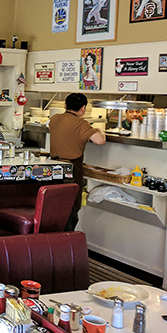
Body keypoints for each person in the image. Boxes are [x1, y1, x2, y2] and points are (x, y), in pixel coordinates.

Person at [48, 93, 106, 231]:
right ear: (83, 108)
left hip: (53, 167)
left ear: (65, 105)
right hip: (72, 170)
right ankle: (66, 242)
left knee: (54, 205)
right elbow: (100, 140)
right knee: (70, 208)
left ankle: (52, 242)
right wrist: (98, 130)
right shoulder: (81, 123)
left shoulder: (54, 119)